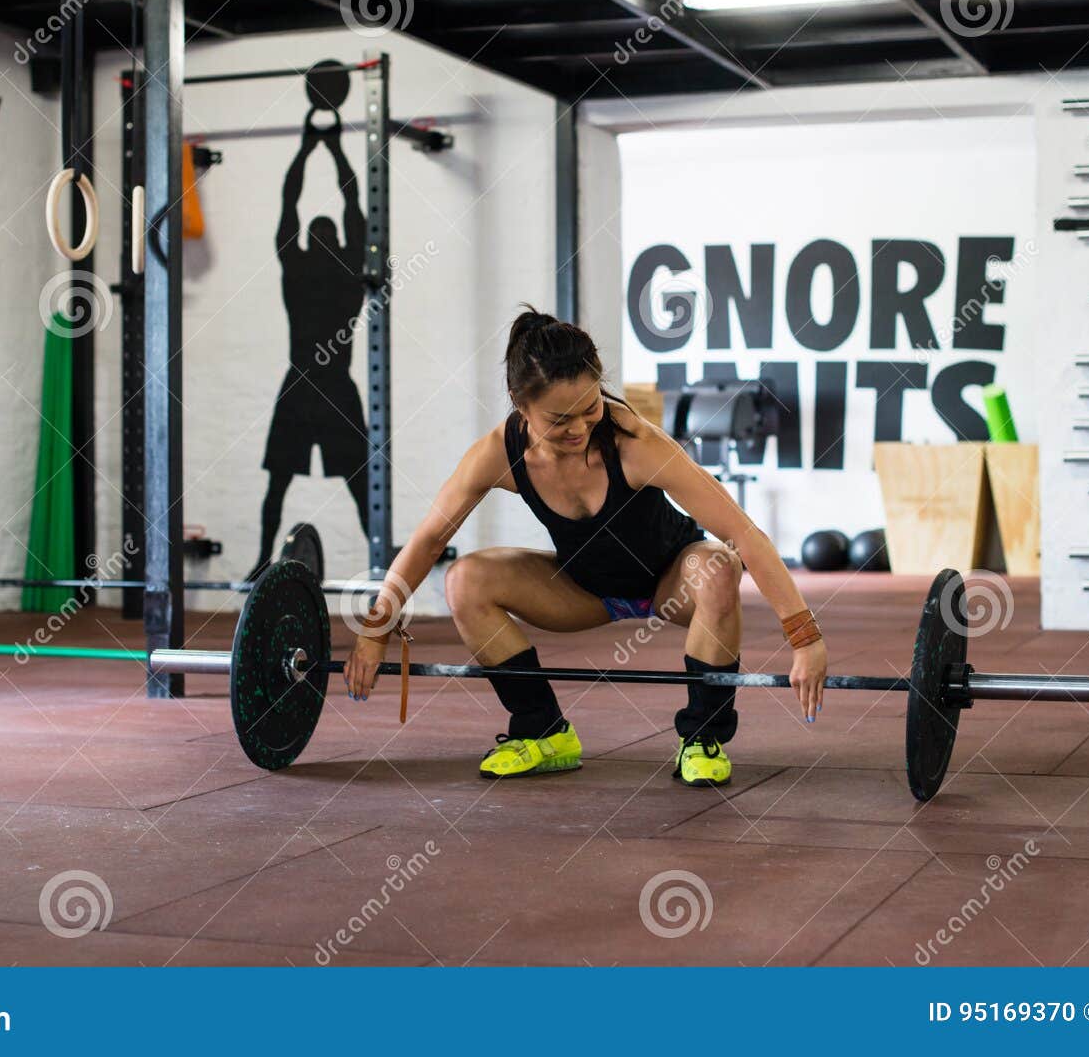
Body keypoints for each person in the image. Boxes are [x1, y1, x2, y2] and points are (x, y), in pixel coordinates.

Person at [342, 308, 828, 786]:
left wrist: (804, 638)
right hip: (583, 592)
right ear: (519, 402)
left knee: (720, 564)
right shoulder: (498, 453)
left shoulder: (637, 445)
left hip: (671, 583)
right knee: (465, 579)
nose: (579, 428)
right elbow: (430, 538)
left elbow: (744, 533)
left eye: (590, 408)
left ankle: (702, 736)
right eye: (559, 419)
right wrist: (375, 628)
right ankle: (545, 733)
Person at [252, 111, 372, 578]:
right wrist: (320, 149)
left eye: (329, 234)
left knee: (361, 482)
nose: (323, 236)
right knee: (277, 482)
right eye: (317, 234)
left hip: (332, 385)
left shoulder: (326, 272)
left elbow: (346, 203)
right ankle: (262, 561)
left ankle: (381, 561)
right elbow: (301, 203)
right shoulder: (310, 271)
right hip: (303, 383)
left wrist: (319, 148)